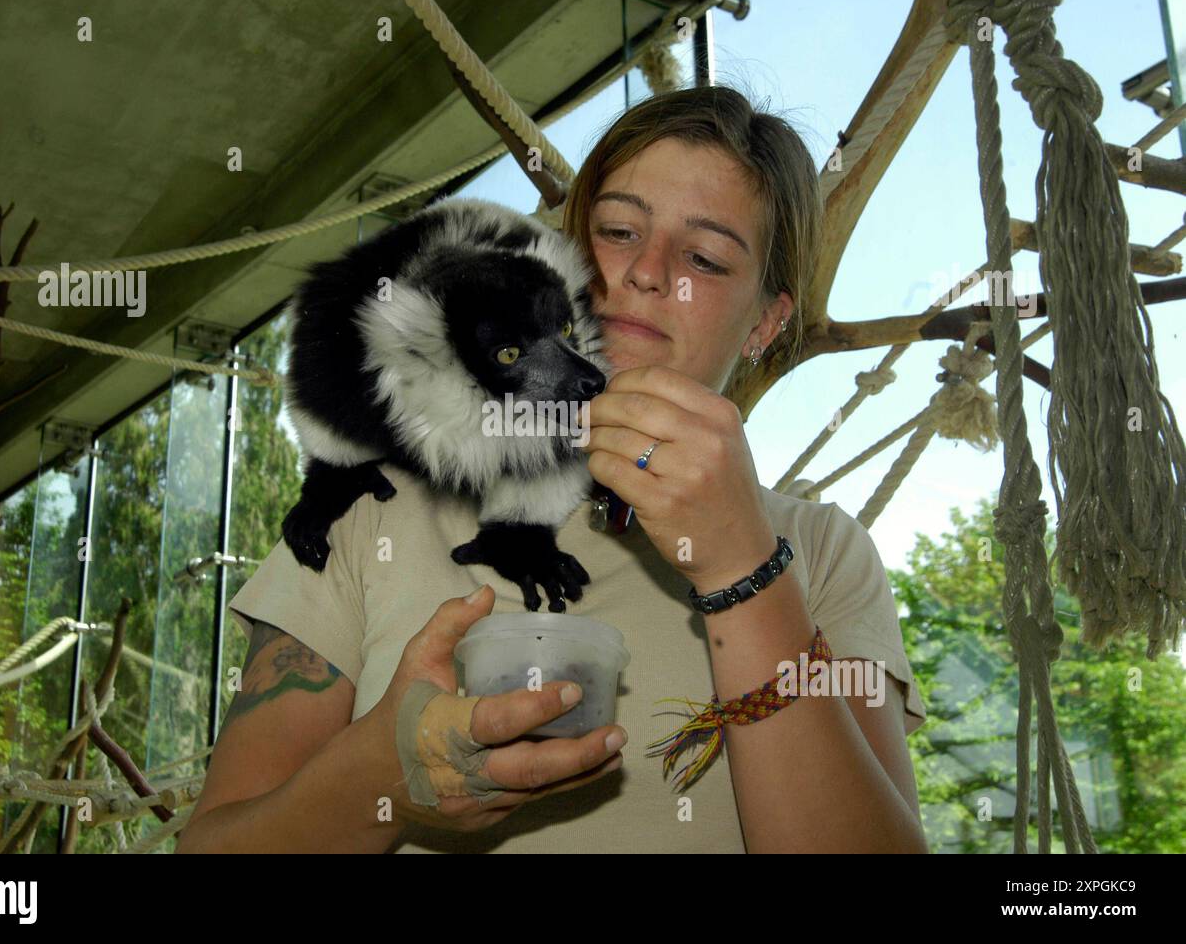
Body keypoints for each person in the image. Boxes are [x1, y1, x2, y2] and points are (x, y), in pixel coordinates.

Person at [176, 85, 929, 854]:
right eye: (617, 230)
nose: (645, 270)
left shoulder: (820, 555)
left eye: (702, 257)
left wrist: (743, 568)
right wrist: (386, 779)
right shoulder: (370, 509)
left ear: (766, 322)